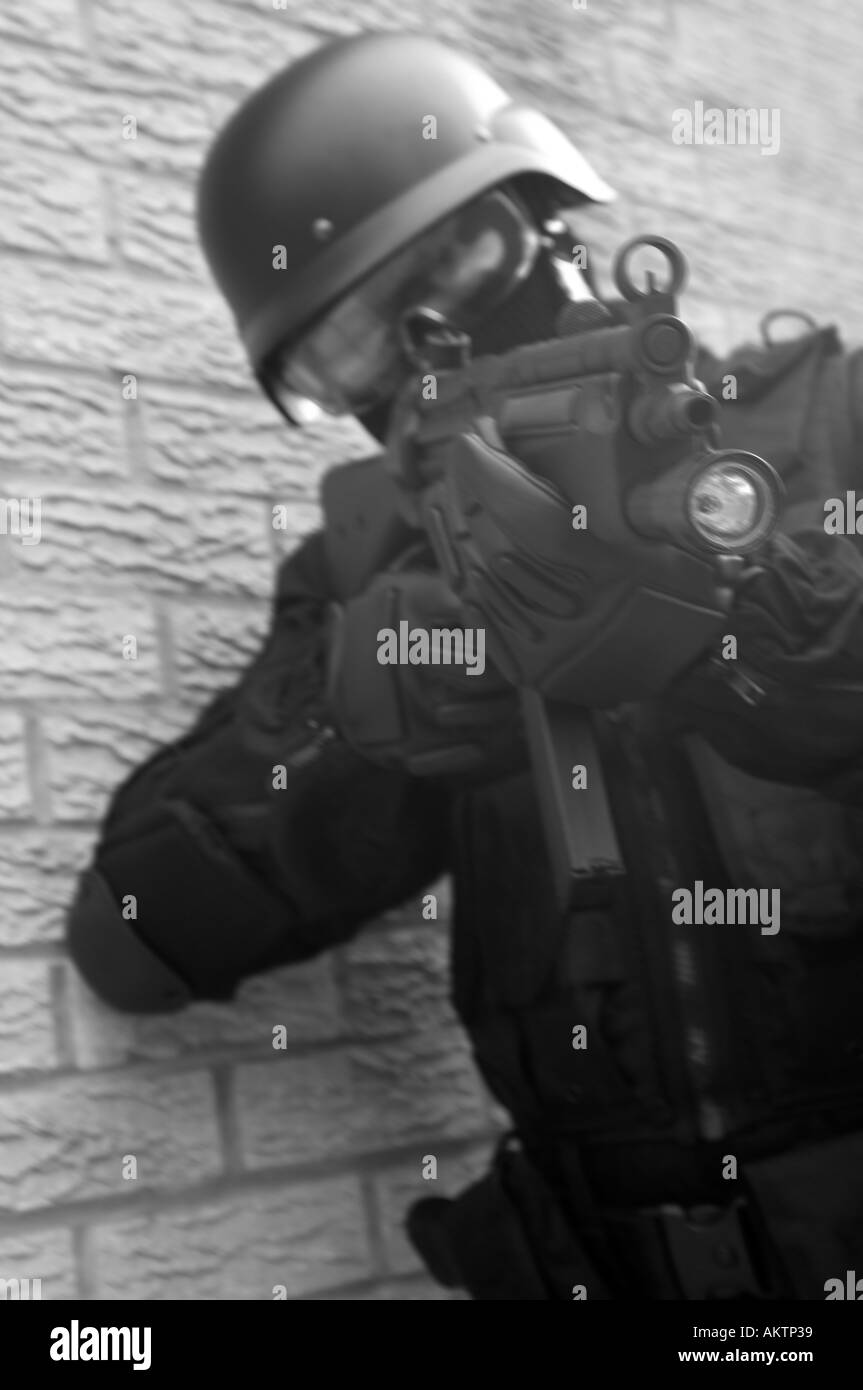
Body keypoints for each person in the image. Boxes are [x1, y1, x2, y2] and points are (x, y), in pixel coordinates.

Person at [67, 31, 863, 1300]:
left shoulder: (822, 431)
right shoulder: (370, 578)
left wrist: (746, 622)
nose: (423, 346)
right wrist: (355, 718)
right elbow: (132, 936)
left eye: (451, 257)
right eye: (350, 348)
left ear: (548, 223)